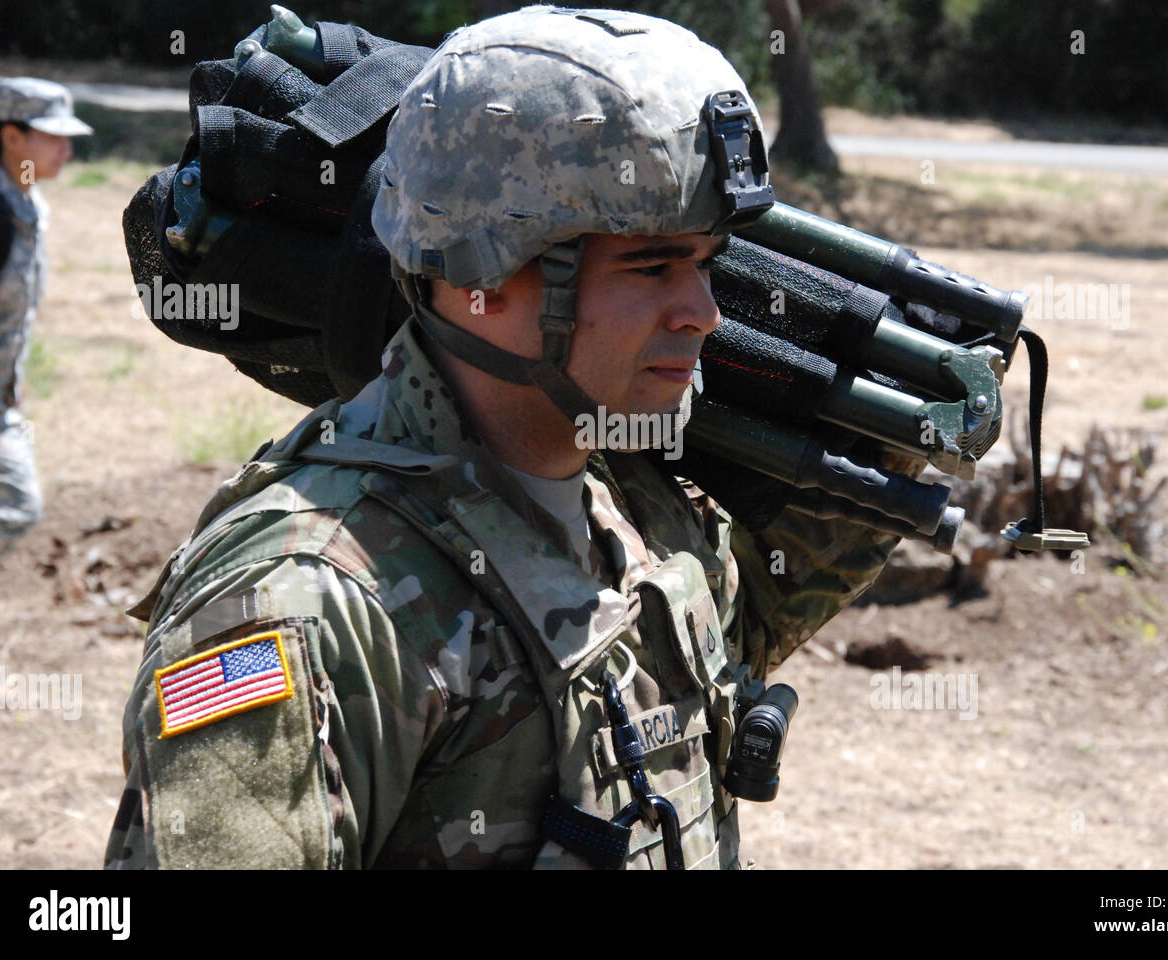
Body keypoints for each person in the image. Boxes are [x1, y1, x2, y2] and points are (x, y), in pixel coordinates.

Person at [105, 5, 921, 869]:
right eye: (651, 267)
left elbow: (735, 636)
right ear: (480, 274)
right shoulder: (303, 606)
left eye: (706, 263)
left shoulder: (631, 507)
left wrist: (898, 444)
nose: (704, 313)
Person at [0, 78, 92, 582]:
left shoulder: (31, 208)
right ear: (11, 137)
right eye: (53, 136)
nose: (66, 149)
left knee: (20, 507)